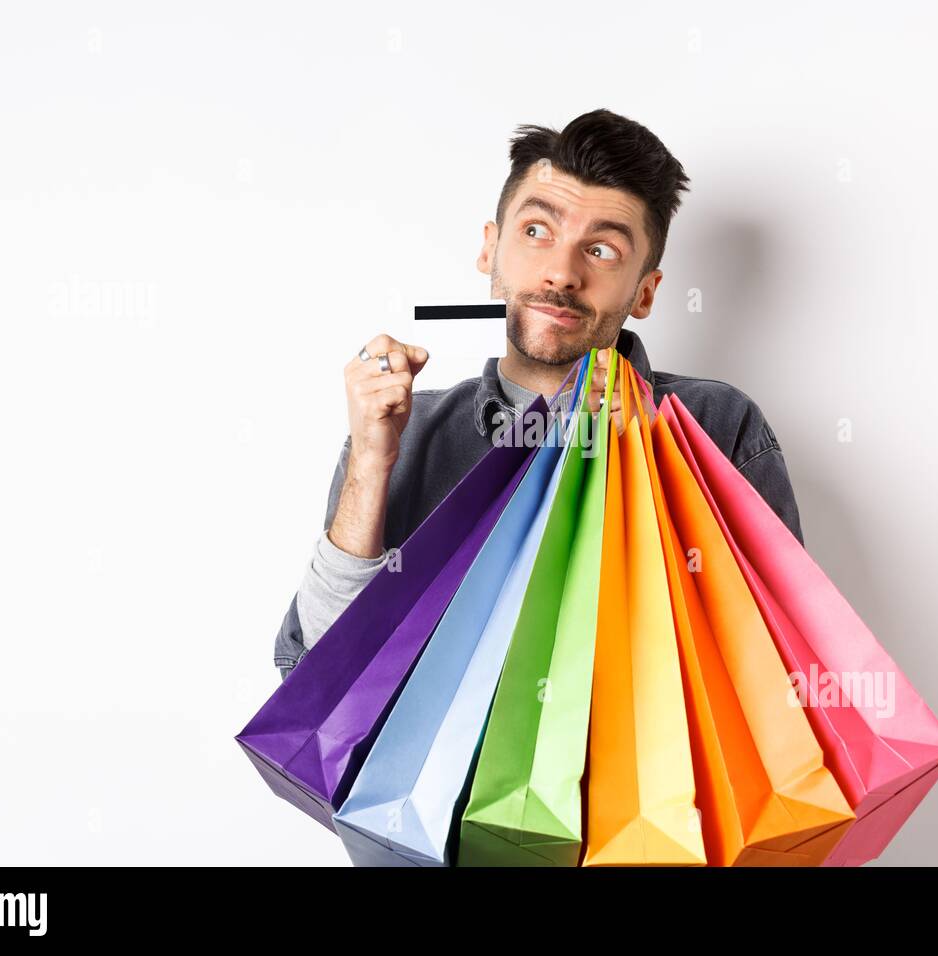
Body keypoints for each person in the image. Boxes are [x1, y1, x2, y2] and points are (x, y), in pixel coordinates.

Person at [273, 108, 804, 680]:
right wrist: (371, 464)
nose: (561, 273)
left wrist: (659, 473)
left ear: (645, 292)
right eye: (536, 232)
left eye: (602, 250)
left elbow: (782, 673)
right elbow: (318, 683)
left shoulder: (717, 425)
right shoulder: (405, 433)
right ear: (490, 252)